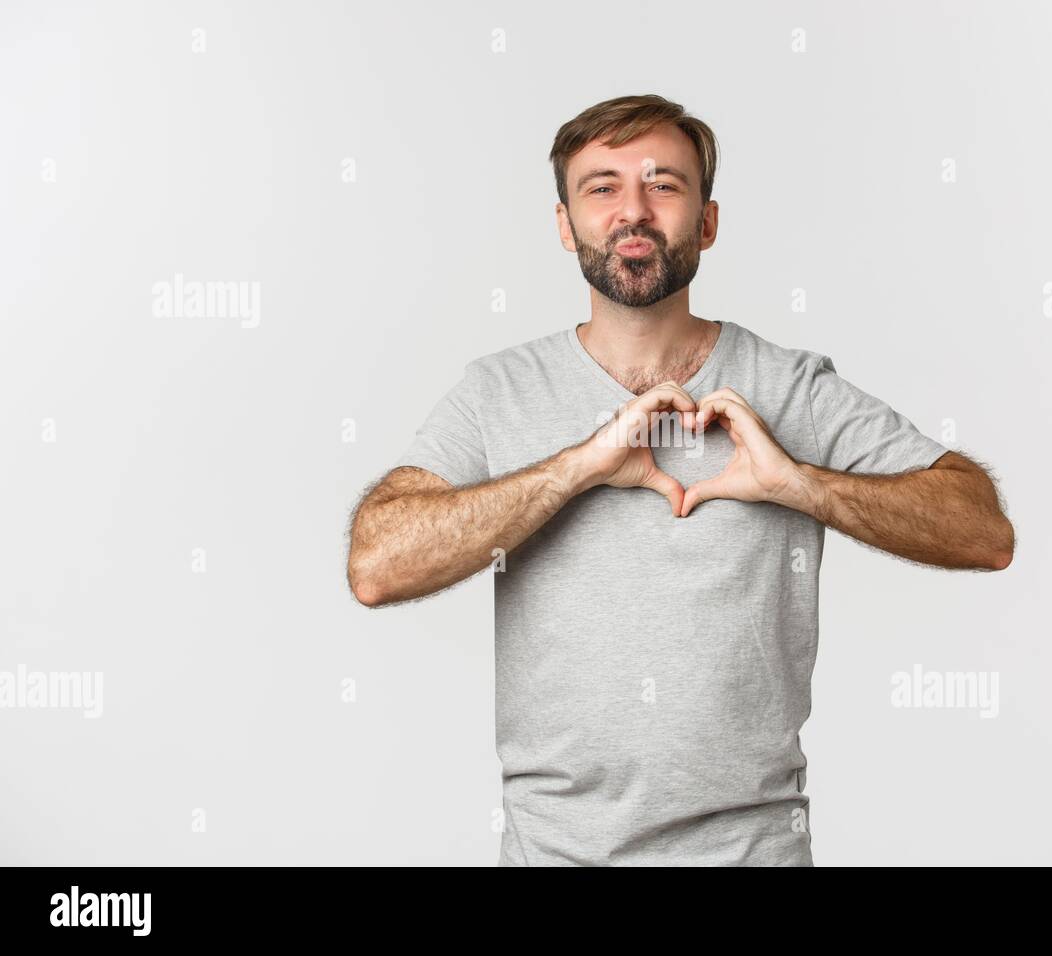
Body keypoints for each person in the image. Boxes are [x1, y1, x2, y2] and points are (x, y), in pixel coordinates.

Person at [346, 94, 1015, 866]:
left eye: (664, 185)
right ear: (565, 225)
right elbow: (375, 565)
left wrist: (798, 484)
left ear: (707, 221)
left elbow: (983, 531)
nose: (633, 209)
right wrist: (576, 469)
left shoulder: (790, 388)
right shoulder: (499, 391)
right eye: (602, 187)